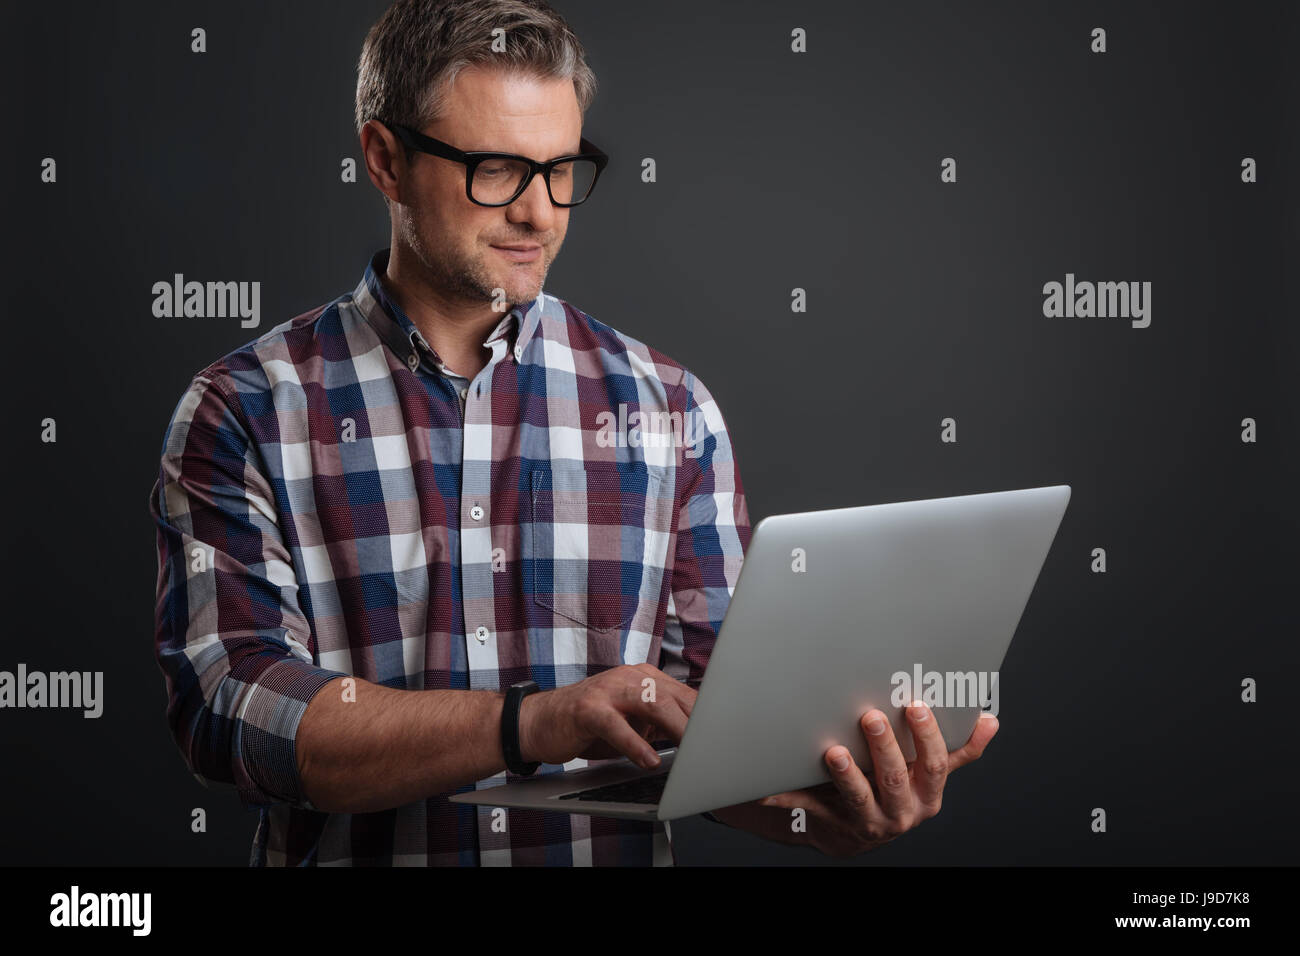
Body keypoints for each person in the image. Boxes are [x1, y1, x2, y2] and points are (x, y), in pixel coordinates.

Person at [149, 0, 997, 866]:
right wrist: (532, 721)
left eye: (561, 170)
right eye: (497, 170)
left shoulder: (672, 410)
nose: (541, 213)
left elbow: (719, 744)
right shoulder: (244, 407)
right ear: (385, 161)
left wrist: (825, 810)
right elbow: (233, 708)